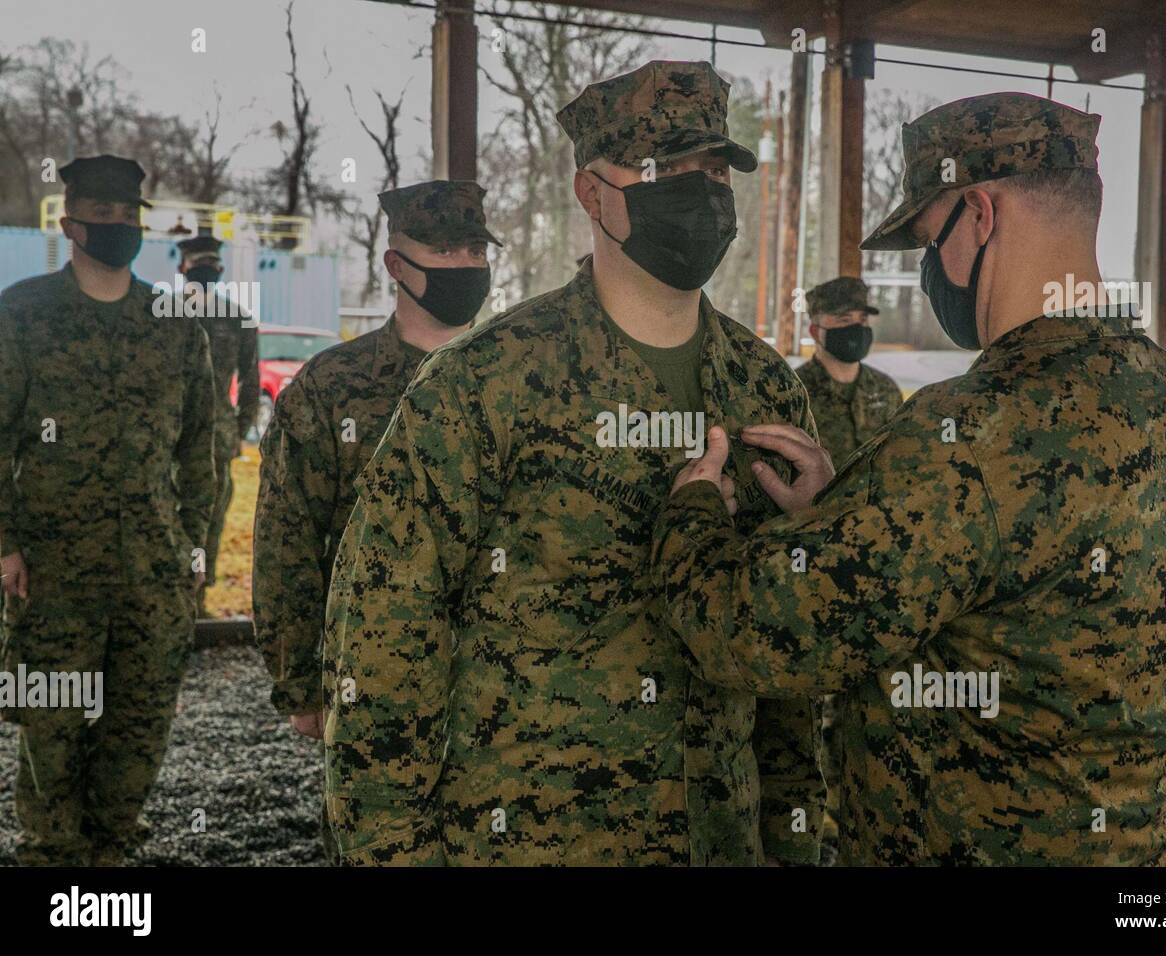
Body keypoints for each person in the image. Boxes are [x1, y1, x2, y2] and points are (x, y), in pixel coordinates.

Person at [651, 93, 1166, 865]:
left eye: (931, 241)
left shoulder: (970, 431)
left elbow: (753, 634)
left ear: (980, 213)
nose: (933, 269)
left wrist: (692, 513)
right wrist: (846, 510)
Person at [323, 61, 824, 866]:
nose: (698, 192)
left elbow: (785, 662)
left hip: (718, 836)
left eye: (712, 169)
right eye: (664, 169)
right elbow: (384, 642)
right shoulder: (483, 382)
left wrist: (794, 834)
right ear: (593, 194)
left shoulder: (765, 388)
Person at [254, 181, 496, 865]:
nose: (464, 265)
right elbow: (286, 542)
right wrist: (298, 683)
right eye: (444, 249)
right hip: (373, 682)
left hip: (507, 682)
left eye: (475, 248)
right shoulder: (333, 386)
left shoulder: (519, 379)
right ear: (396, 267)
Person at [0, 155, 215, 865]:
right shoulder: (23, 314)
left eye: (128, 217)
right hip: (55, 570)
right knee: (53, 732)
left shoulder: (176, 323)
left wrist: (195, 546)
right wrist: (5, 545)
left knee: (138, 727)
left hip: (152, 569)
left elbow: (199, 450)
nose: (116, 227)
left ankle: (112, 857)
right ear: (71, 224)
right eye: (102, 216)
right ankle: (54, 861)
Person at [796, 275, 903, 862]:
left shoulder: (887, 393)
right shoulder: (793, 392)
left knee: (866, 700)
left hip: (872, 568)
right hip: (811, 566)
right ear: (817, 329)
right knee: (812, 702)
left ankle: (855, 810)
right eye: (844, 323)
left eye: (864, 319)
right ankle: (813, 818)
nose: (857, 330)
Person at [176, 235, 259, 616]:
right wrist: (238, 428)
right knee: (194, 517)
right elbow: (250, 384)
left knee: (204, 517)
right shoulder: (166, 314)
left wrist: (237, 429)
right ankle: (187, 597)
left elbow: (250, 382)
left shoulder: (235, 316)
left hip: (201, 438)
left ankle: (195, 597)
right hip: (178, 438)